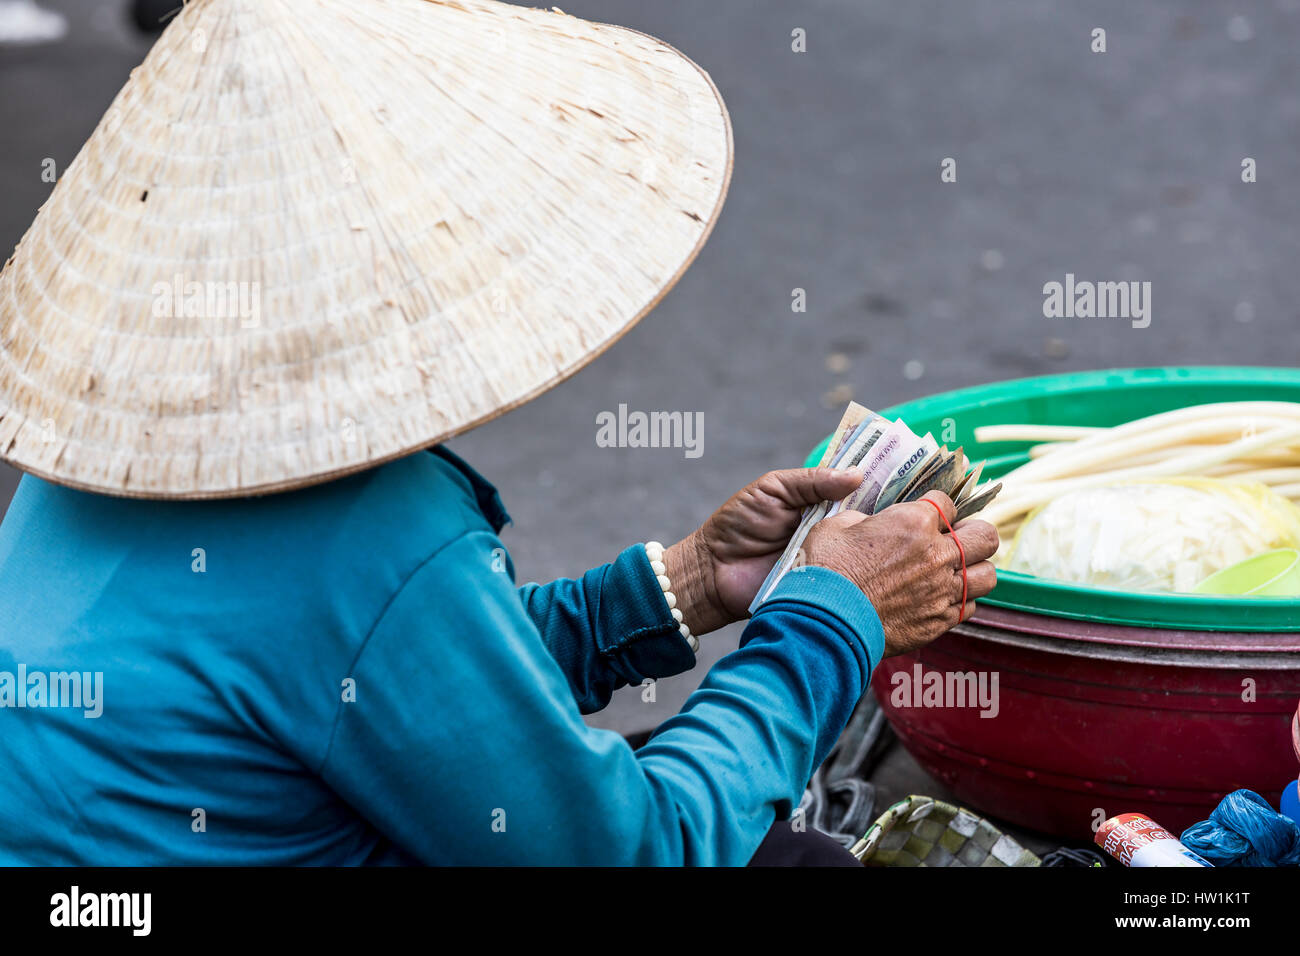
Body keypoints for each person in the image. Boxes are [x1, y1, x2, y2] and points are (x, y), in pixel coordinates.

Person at [0, 0, 997, 865]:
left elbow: (393, 683)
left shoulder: (101, 455)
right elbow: (633, 851)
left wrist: (685, 584)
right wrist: (831, 617)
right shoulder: (372, 532)